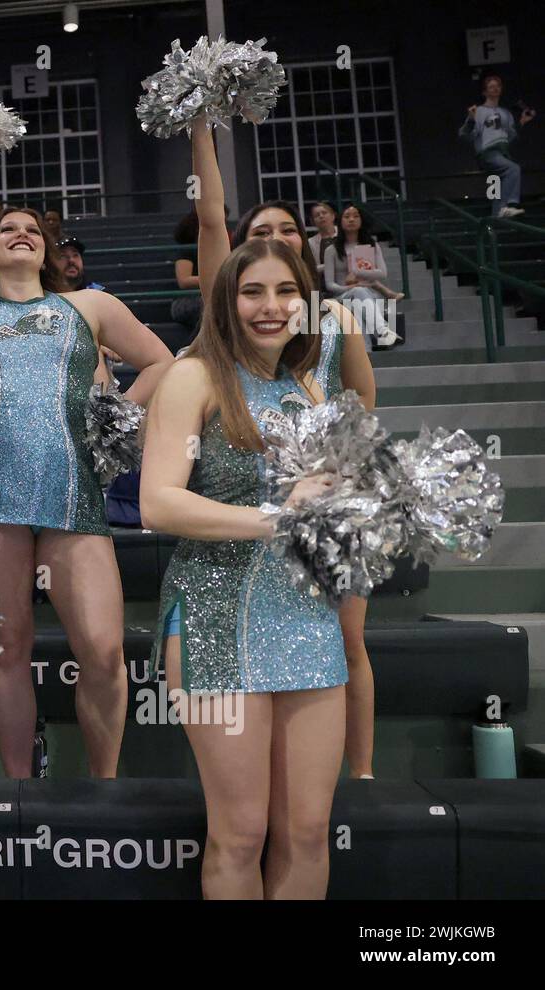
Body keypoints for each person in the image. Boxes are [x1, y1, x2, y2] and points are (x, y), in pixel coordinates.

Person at [0, 126, 174, 778]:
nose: (21, 233)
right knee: (6, 647)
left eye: (32, 228)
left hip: (72, 487)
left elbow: (162, 361)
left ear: (49, 248)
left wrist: (116, 417)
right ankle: (19, 788)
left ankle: (104, 781)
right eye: (7, 229)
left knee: (105, 650)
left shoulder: (90, 305)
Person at [140, 238, 347, 899]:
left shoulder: (312, 386)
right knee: (240, 832)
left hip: (307, 614)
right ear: (227, 301)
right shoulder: (193, 376)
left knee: (309, 829)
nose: (270, 306)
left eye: (286, 291)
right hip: (213, 615)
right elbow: (158, 503)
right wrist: (279, 518)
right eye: (252, 291)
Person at [192, 122, 378, 783]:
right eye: (259, 234)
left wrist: (337, 481)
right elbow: (210, 220)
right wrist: (200, 126)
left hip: (325, 506)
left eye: (288, 231)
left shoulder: (334, 320)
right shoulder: (238, 320)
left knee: (347, 641)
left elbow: (362, 408)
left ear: (308, 242)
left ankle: (359, 773)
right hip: (256, 493)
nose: (275, 241)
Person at [322, 205, 402, 346]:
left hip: (369, 297)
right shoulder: (332, 250)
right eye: (347, 216)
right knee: (358, 292)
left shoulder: (371, 245)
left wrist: (356, 270)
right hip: (342, 297)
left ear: (361, 220)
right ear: (340, 221)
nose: (351, 219)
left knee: (357, 308)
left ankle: (366, 353)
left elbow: (382, 273)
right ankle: (382, 330)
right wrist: (354, 286)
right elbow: (330, 285)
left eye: (355, 216)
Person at [460, 74, 535, 219]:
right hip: (488, 153)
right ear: (485, 92)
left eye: (497, 86)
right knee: (513, 169)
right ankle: (509, 206)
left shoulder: (506, 114)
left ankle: (496, 222)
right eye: (491, 87)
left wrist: (522, 122)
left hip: (502, 153)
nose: (495, 89)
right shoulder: (479, 111)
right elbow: (465, 135)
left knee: (498, 190)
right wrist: (470, 119)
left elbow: (510, 137)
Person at [169, 212, 203, 339]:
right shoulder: (186, 250)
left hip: (203, 297)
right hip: (186, 300)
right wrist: (213, 277)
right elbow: (184, 280)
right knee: (210, 307)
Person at [307, 202, 337, 279]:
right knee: (313, 290)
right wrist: (329, 265)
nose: (321, 216)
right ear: (313, 221)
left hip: (345, 282)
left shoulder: (344, 235)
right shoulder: (310, 242)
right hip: (321, 283)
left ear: (333, 216)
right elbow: (311, 269)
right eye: (317, 215)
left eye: (324, 213)